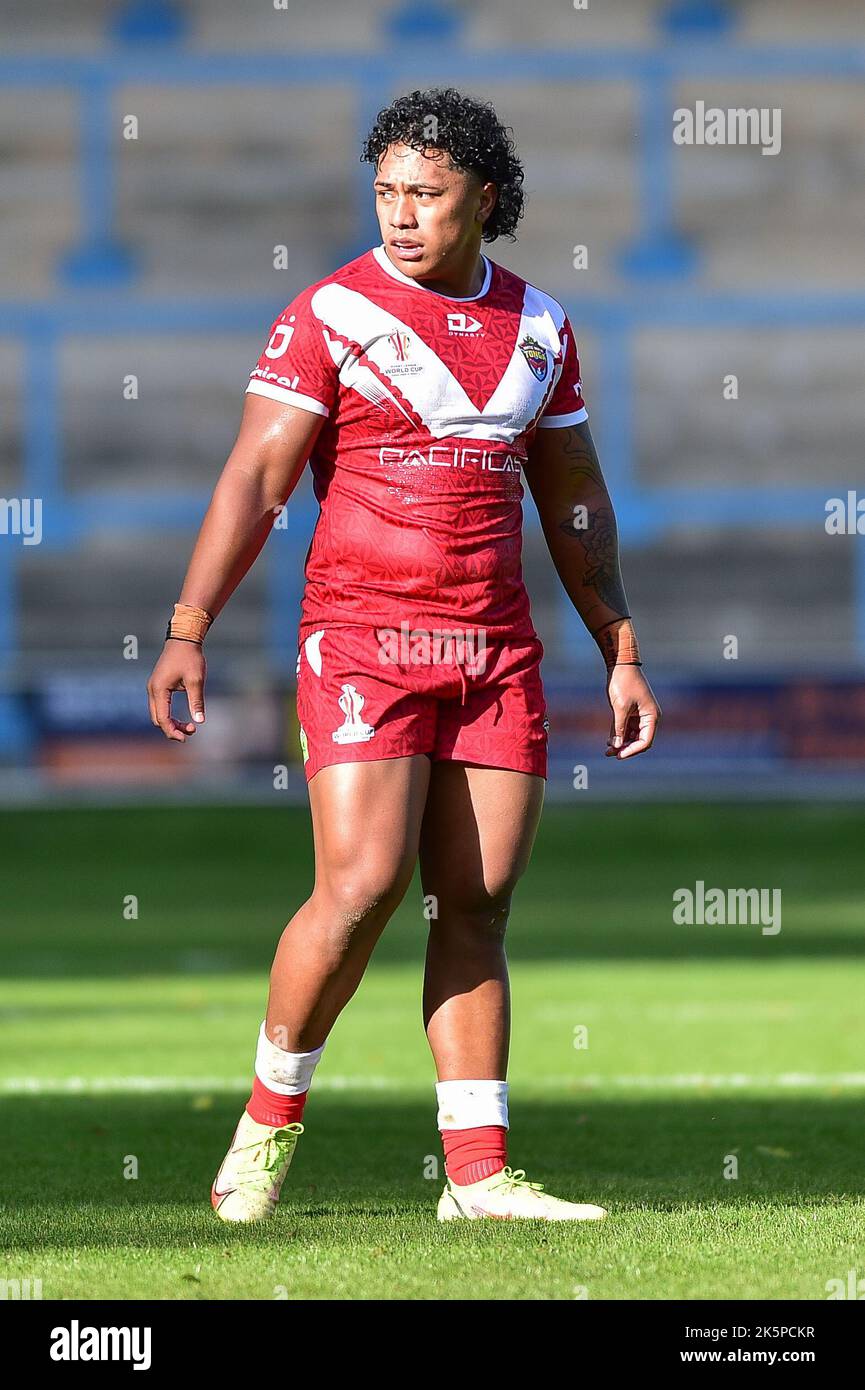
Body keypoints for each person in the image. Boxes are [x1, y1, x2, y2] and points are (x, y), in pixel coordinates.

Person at [147, 87, 661, 1223]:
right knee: (365, 882)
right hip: (365, 640)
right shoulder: (329, 311)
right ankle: (266, 1128)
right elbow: (255, 478)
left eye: (424, 194)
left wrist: (619, 648)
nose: (400, 215)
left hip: (496, 651)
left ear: (484, 197)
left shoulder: (542, 326)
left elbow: (574, 498)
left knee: (476, 900)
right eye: (385, 194)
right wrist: (188, 628)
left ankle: (476, 1175)